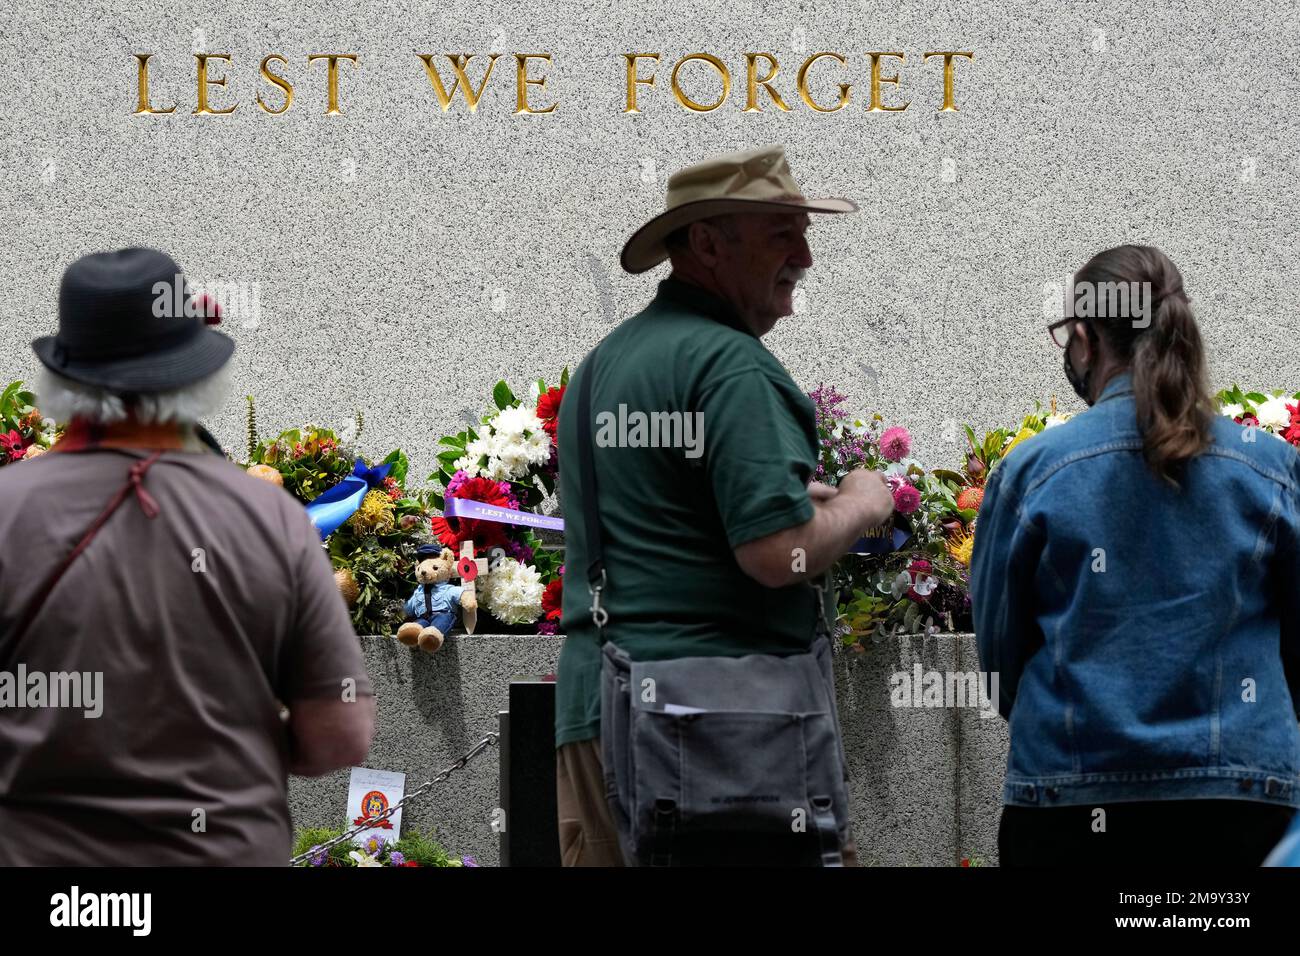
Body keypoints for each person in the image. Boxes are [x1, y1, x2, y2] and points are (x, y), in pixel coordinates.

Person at [554, 145, 894, 866]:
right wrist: (863, 502)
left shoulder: (602, 366)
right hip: (708, 731)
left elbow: (663, 515)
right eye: (781, 233)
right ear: (707, 244)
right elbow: (778, 554)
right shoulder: (730, 363)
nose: (804, 255)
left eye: (805, 232)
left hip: (597, 713)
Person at [0, 247, 375, 865]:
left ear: (62, 379)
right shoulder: (269, 516)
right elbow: (340, 734)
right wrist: (234, 750)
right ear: (192, 374)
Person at [972, 244, 1300, 866]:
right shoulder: (1270, 466)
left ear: (1088, 339)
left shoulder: (1032, 471)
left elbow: (1000, 658)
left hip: (1070, 804)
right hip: (1241, 804)